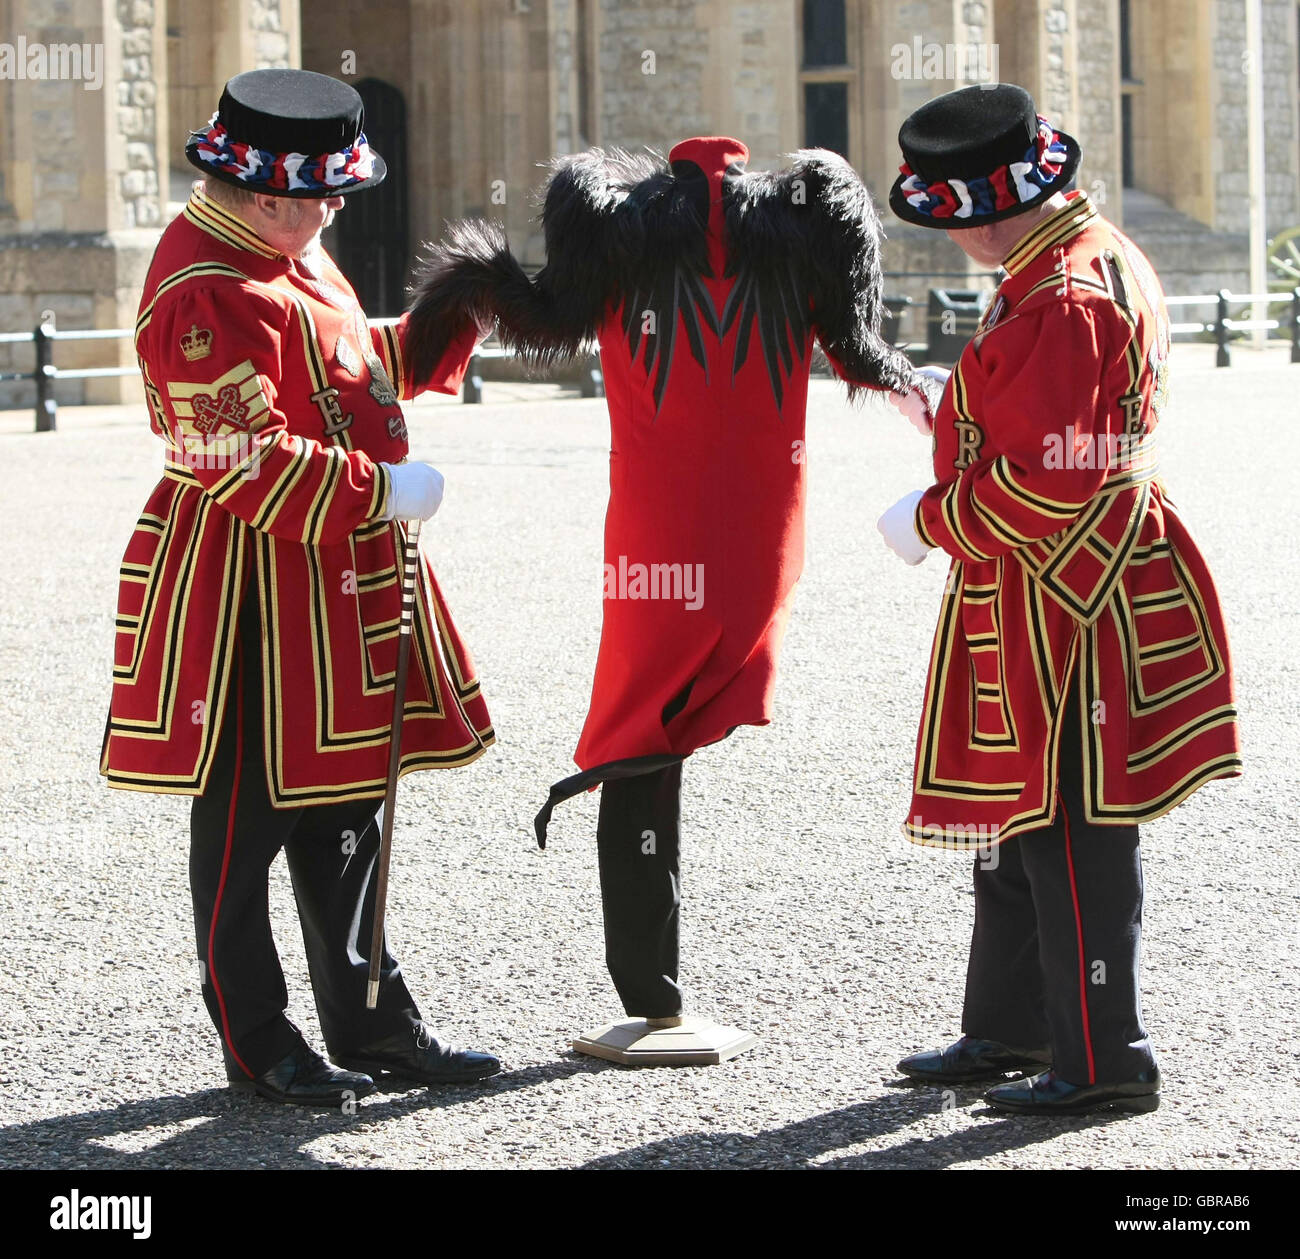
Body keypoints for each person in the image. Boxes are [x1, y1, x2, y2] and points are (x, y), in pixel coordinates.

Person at [403, 136, 924, 1038]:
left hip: (654, 534)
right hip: (760, 523)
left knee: (643, 728)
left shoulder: (623, 238)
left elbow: (526, 307)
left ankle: (647, 986)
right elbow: (856, 342)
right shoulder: (797, 242)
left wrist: (440, 321)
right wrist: (914, 388)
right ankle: (652, 988)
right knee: (660, 726)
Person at [100, 69, 499, 1106]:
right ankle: (258, 1039)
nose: (333, 213)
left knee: (349, 809)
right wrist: (381, 487)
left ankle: (376, 1024)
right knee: (245, 831)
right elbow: (231, 452)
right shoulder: (201, 286)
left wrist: (458, 310)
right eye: (323, 196)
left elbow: (353, 367)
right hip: (250, 593)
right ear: (269, 195)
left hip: (334, 577)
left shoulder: (288, 249)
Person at [877, 84, 1242, 1114]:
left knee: (1073, 825)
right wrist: (951, 411)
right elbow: (1039, 427)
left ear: (988, 211)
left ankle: (1103, 1055)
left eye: (954, 224)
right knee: (1012, 818)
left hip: (1069, 595)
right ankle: (1011, 1025)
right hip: (1056, 583)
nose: (955, 244)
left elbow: (1047, 485)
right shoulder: (1071, 259)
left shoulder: (1062, 295)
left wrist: (929, 518)